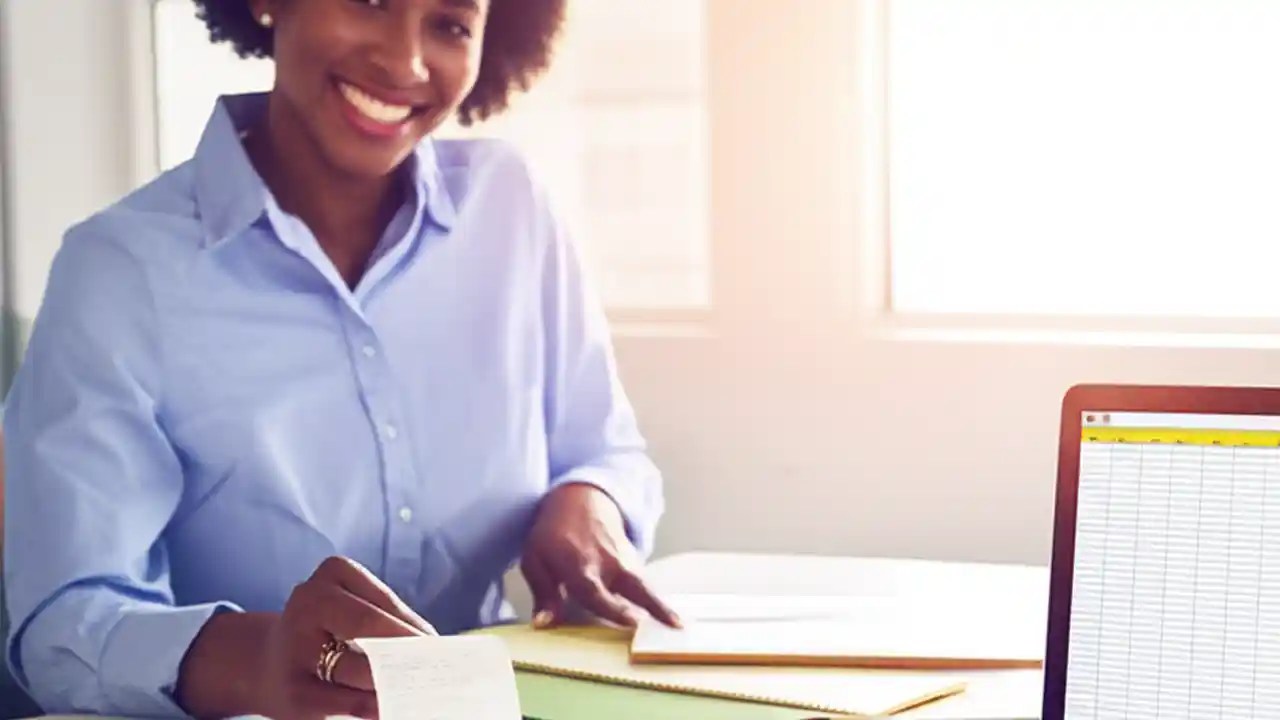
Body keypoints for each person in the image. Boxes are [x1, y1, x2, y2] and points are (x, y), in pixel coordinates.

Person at [1, 1, 680, 717]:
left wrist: (589, 501)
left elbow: (608, 452)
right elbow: (64, 626)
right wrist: (258, 660)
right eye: (371, 1)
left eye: (450, 23)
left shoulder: (513, 212)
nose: (405, 62)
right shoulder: (120, 271)